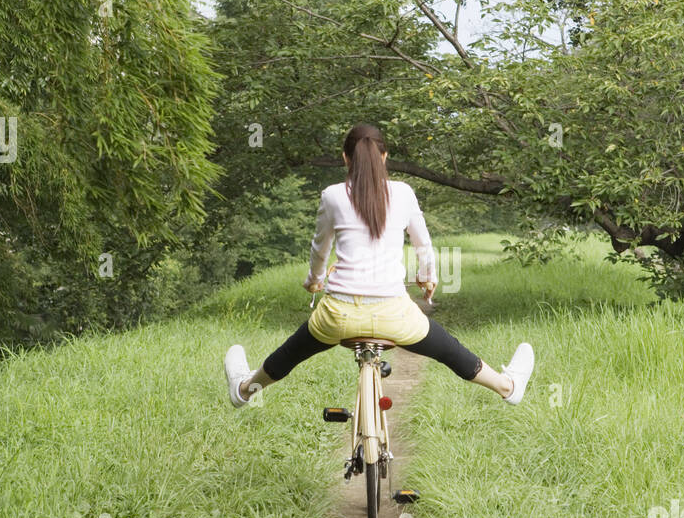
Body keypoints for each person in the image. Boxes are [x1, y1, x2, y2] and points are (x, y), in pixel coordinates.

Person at [224, 123, 534, 406]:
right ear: (383, 157)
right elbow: (423, 245)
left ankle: (244, 390)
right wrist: (428, 278)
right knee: (449, 350)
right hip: (395, 315)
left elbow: (320, 248)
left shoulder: (332, 195)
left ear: (346, 158)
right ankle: (507, 387)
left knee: (291, 352)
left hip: (338, 316)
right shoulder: (402, 193)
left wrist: (314, 280)